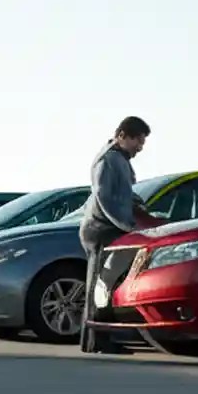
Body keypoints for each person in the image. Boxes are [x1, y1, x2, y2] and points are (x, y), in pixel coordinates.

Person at [78, 116, 157, 354]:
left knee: (105, 283)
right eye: (138, 141)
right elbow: (103, 197)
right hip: (102, 230)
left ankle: (98, 338)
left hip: (111, 228)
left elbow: (121, 194)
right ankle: (96, 340)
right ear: (123, 135)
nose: (140, 147)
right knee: (99, 285)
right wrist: (125, 225)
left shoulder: (119, 159)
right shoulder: (108, 159)